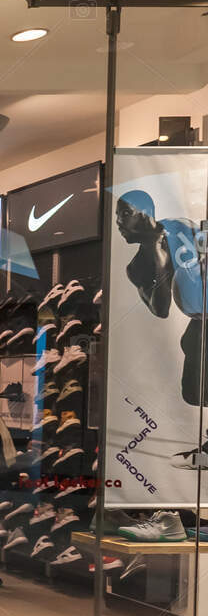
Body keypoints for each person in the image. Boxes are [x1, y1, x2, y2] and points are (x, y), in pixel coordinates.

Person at [115, 189, 208, 467]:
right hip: (200, 320)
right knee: (193, 391)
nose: (119, 222)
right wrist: (160, 262)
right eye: (118, 216)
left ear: (146, 213)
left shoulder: (178, 226)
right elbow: (161, 309)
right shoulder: (136, 267)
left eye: (125, 214)